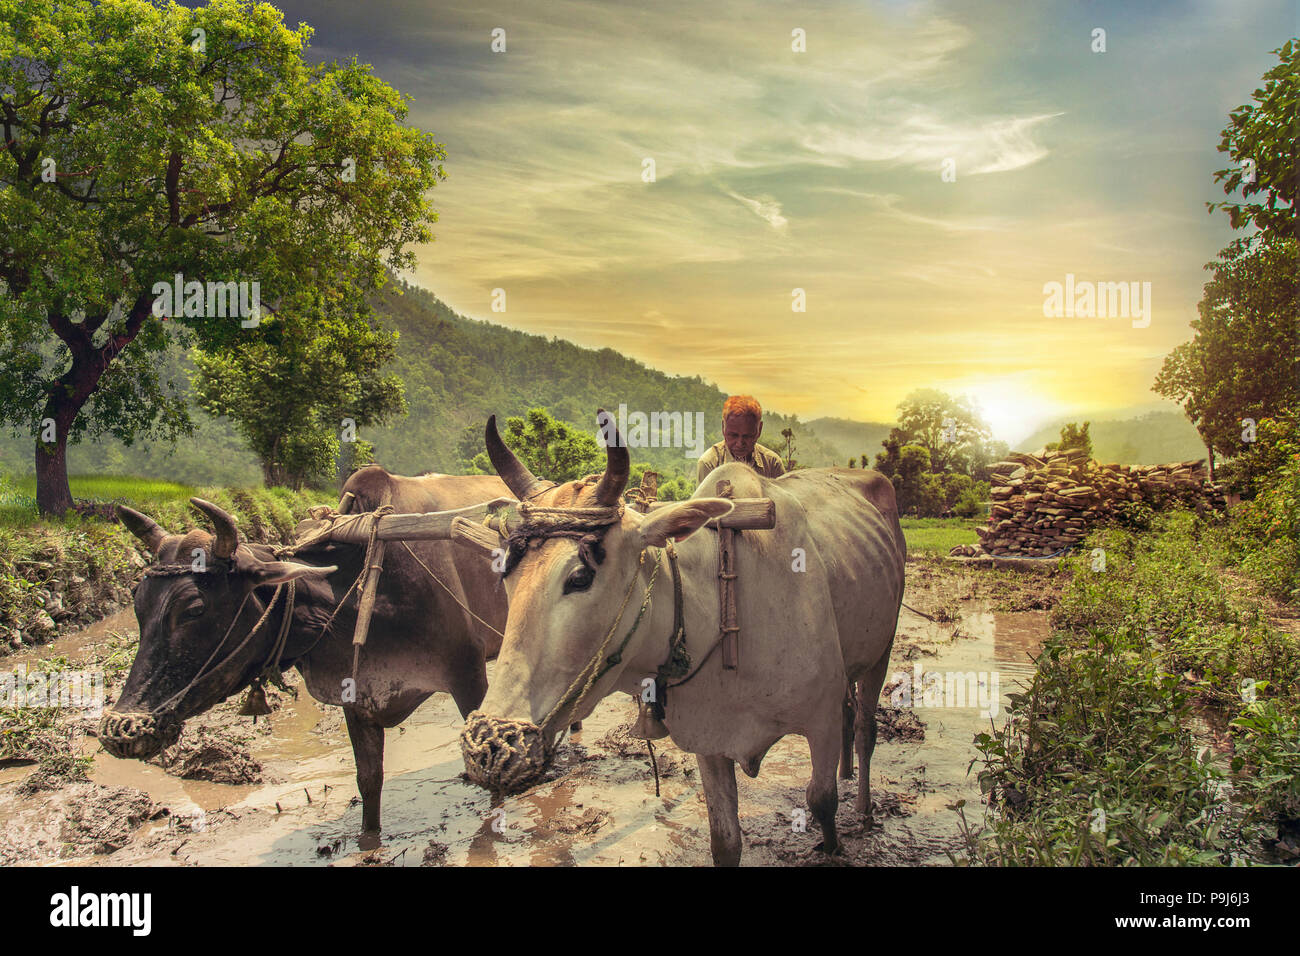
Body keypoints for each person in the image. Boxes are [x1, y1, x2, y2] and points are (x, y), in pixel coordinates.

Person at [696, 395, 786, 485]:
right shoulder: (709, 464)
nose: (740, 444)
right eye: (733, 435)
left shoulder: (772, 464)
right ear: (723, 427)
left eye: (747, 436)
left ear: (760, 429)